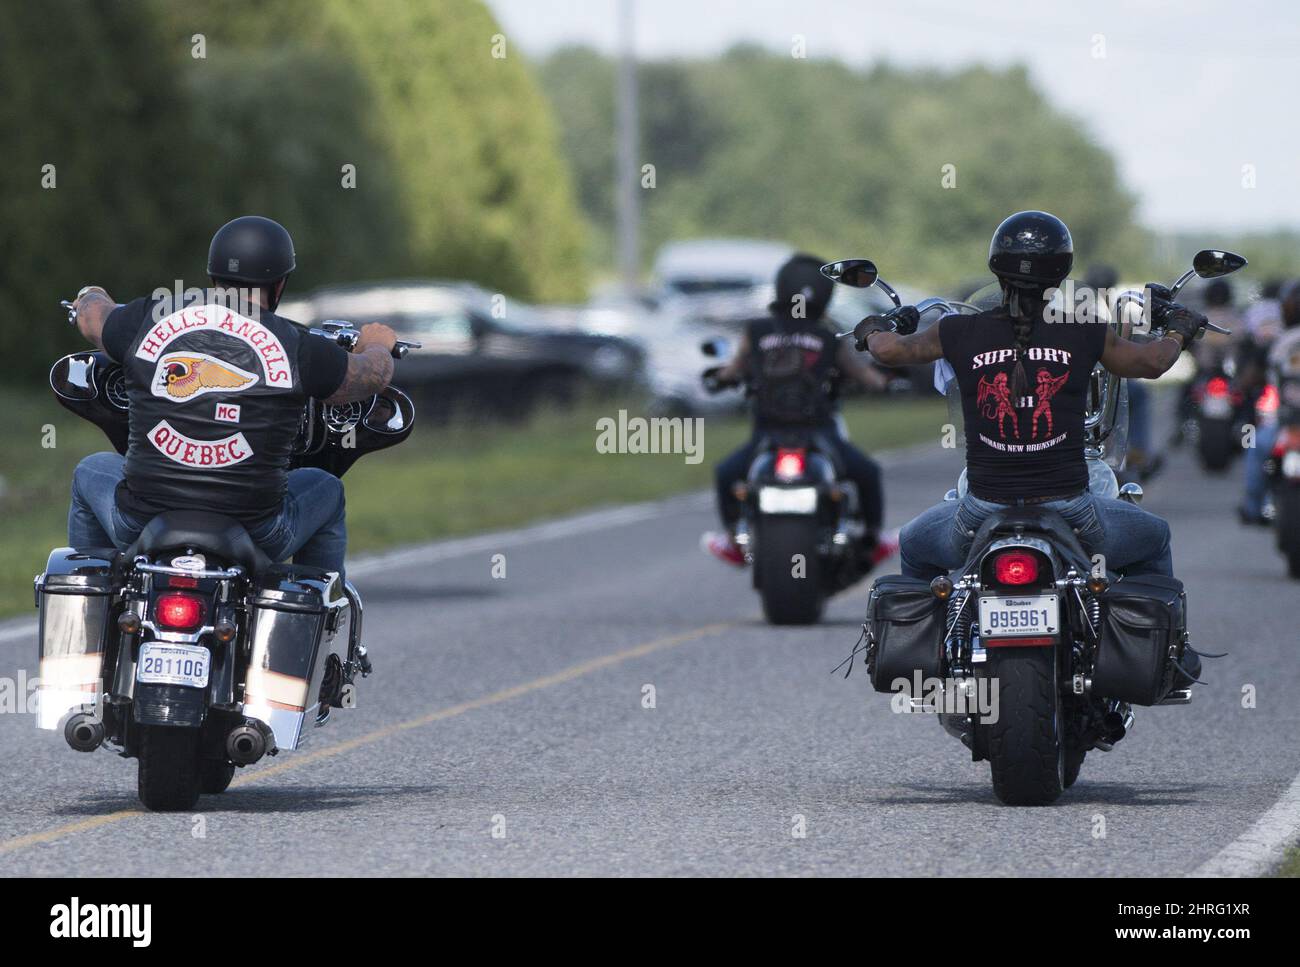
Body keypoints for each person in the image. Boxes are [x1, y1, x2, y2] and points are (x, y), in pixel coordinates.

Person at [852, 211, 1207, 594]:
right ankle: (1153, 649)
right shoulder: (1085, 331)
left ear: (996, 269)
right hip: (1071, 509)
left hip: (980, 509)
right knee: (1154, 538)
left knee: (916, 547)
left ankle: (924, 650)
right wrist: (1178, 330)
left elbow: (888, 351)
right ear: (1060, 274)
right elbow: (1152, 363)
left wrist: (872, 328)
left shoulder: (955, 331)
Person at [66, 215, 398, 574]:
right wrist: (376, 344)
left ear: (213, 275)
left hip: (139, 517)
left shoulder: (147, 319)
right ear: (280, 283)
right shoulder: (298, 346)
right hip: (261, 530)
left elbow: (92, 318)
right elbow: (369, 378)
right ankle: (309, 598)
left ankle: (93, 591)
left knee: (90, 470)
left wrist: (89, 294)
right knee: (326, 488)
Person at [702, 253, 896, 568]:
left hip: (768, 433)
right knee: (867, 473)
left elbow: (733, 370)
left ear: (781, 288)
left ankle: (733, 542)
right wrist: (886, 380)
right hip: (818, 433)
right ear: (824, 293)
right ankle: (874, 539)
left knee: (726, 473)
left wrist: (718, 378)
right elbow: (865, 377)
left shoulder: (757, 331)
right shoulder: (827, 337)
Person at [1240, 279, 1300, 524]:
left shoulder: (1275, 343)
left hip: (1283, 423)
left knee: (1255, 448)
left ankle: (1253, 508)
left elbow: (1248, 380)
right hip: (1284, 423)